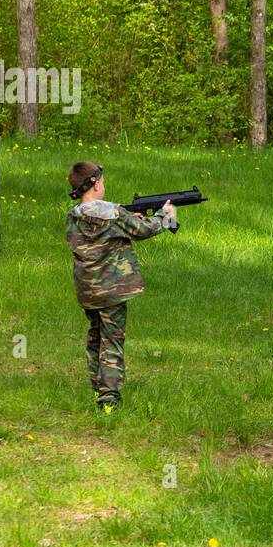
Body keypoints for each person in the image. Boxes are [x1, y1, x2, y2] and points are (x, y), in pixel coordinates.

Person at [65, 161, 175, 414]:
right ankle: (109, 400)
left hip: (88, 290)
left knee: (95, 337)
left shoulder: (73, 216)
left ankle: (97, 385)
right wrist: (165, 215)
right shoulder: (113, 213)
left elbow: (97, 236)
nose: (103, 186)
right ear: (94, 183)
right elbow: (146, 229)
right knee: (112, 342)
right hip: (112, 290)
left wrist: (128, 219)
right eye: (101, 182)